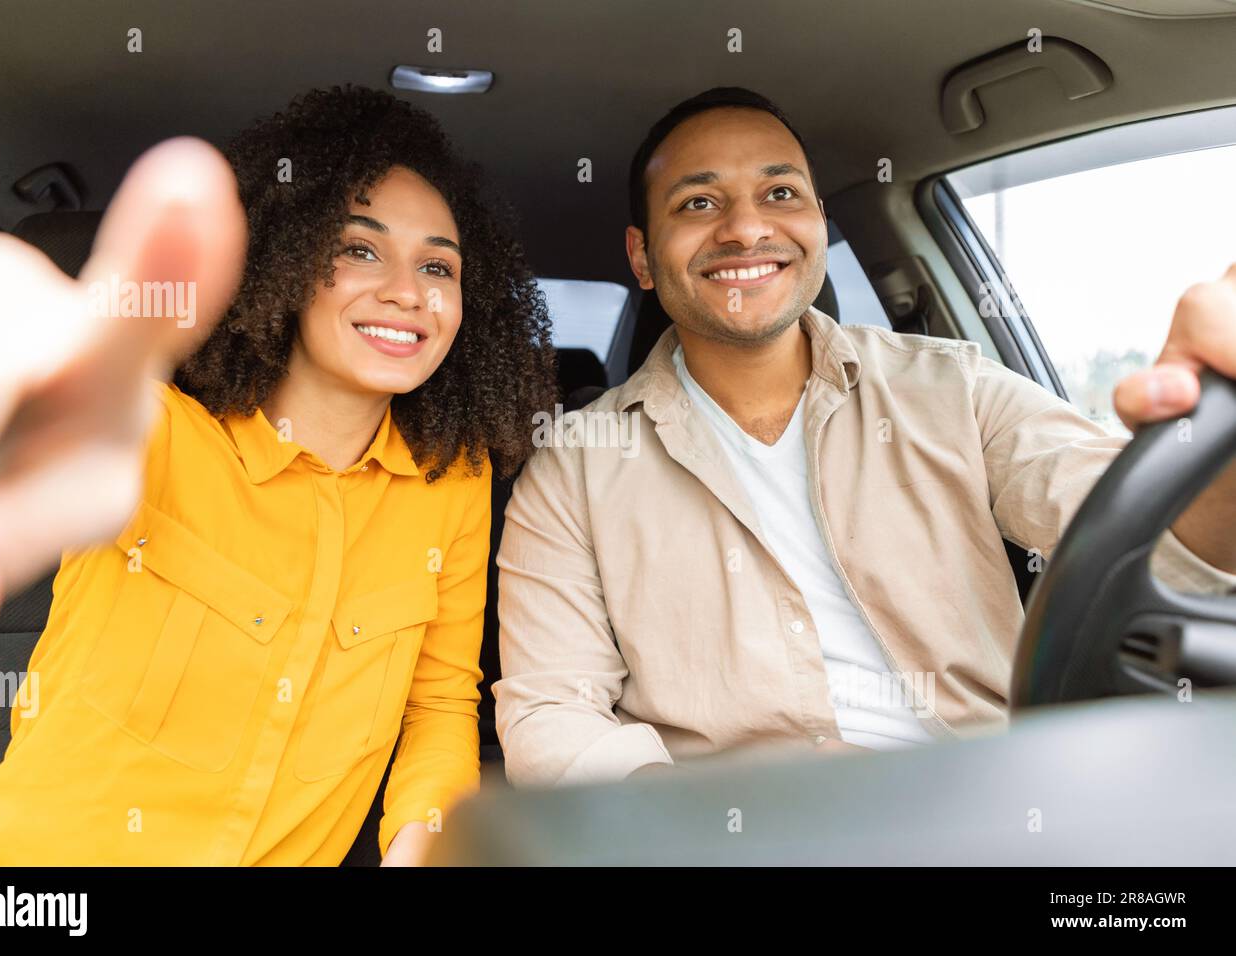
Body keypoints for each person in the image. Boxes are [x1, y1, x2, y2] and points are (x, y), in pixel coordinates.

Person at [493, 87, 1236, 785]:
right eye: (699, 201)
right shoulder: (573, 469)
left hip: (996, 806)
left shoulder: (954, 389)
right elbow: (555, 714)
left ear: (817, 223)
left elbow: (1151, 538)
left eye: (779, 193)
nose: (747, 227)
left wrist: (1217, 444)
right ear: (642, 258)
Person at [0, 86, 556, 864]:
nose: (408, 291)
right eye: (358, 248)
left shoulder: (450, 486)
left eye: (439, 265)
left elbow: (438, 705)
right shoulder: (150, 432)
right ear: (286, 261)